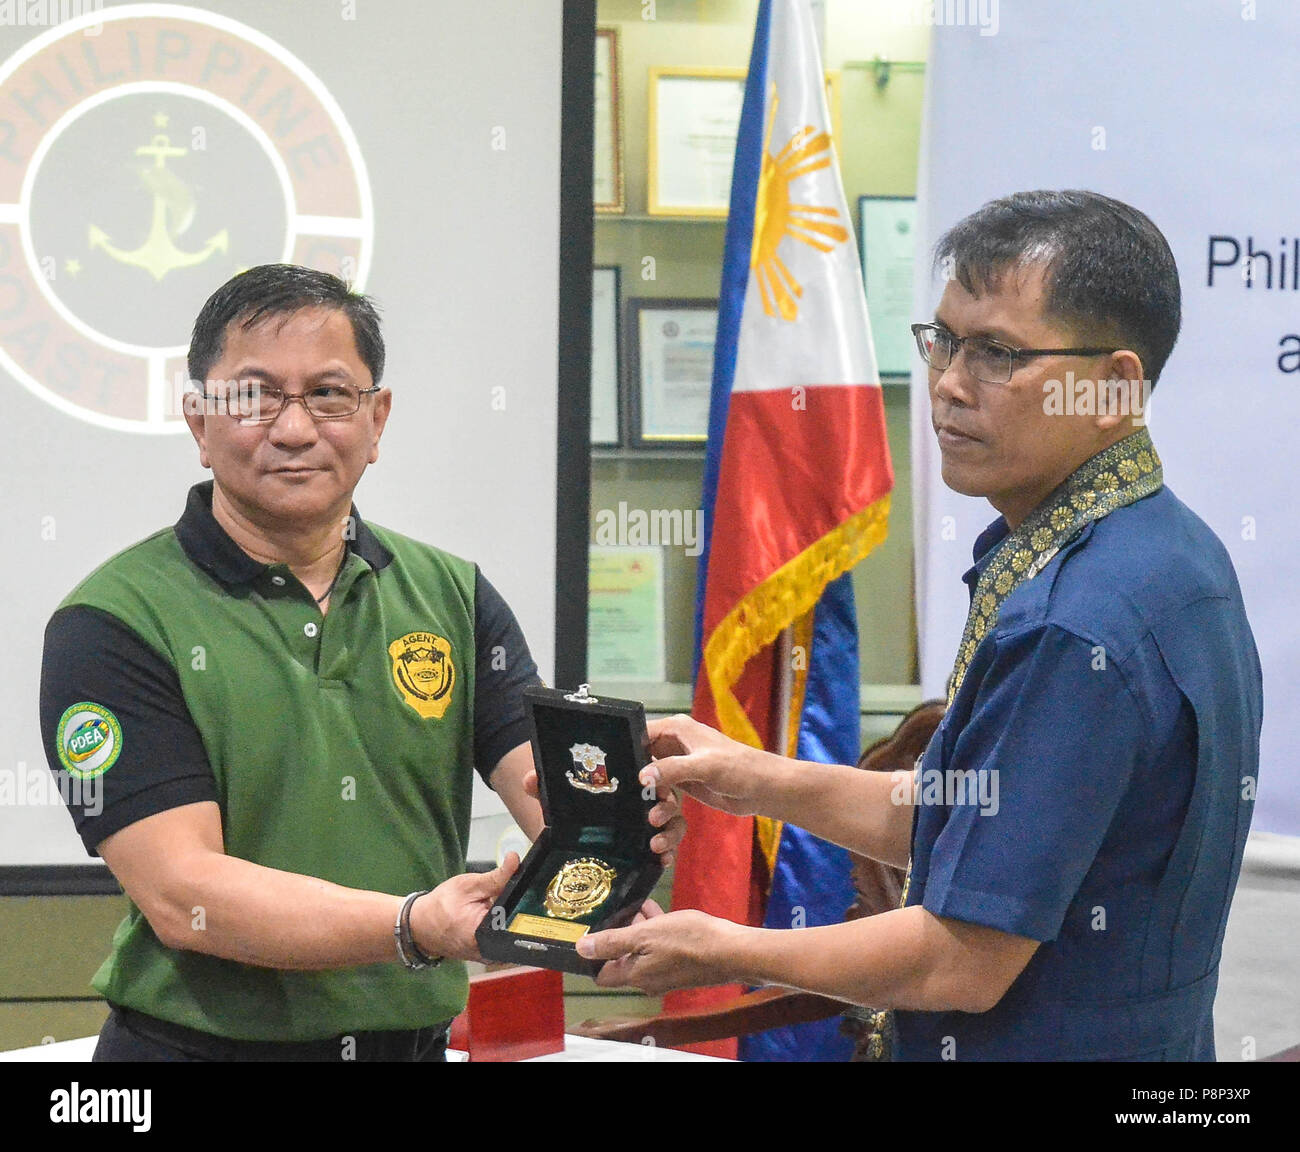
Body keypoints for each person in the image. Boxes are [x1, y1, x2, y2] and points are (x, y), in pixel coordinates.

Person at [576, 190, 1263, 1061]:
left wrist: (722, 948)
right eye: (943, 340)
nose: (948, 384)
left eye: (997, 354)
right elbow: (975, 817)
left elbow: (962, 959)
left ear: (1114, 386)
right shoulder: (1170, 549)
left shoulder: (1075, 622)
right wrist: (754, 778)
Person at [39, 264, 682, 1062]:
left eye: (329, 394)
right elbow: (182, 894)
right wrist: (414, 925)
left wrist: (612, 862)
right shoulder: (111, 623)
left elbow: (548, 794)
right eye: (254, 395)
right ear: (199, 421)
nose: (294, 428)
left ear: (377, 421)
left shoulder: (452, 595)